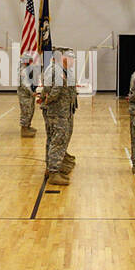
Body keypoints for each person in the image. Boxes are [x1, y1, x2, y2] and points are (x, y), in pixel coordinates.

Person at [40, 48, 76, 185]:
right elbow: (52, 91)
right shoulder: (57, 70)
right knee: (57, 140)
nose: (73, 62)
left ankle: (52, 168)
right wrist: (47, 100)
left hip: (62, 111)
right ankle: (54, 172)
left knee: (54, 140)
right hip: (58, 112)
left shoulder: (62, 70)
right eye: (71, 59)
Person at [17, 52, 37, 137]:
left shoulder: (27, 68)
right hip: (25, 95)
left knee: (30, 110)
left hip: (29, 95)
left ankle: (28, 126)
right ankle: (24, 129)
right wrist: (32, 92)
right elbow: (25, 84)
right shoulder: (22, 70)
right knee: (25, 111)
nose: (31, 62)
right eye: (30, 60)